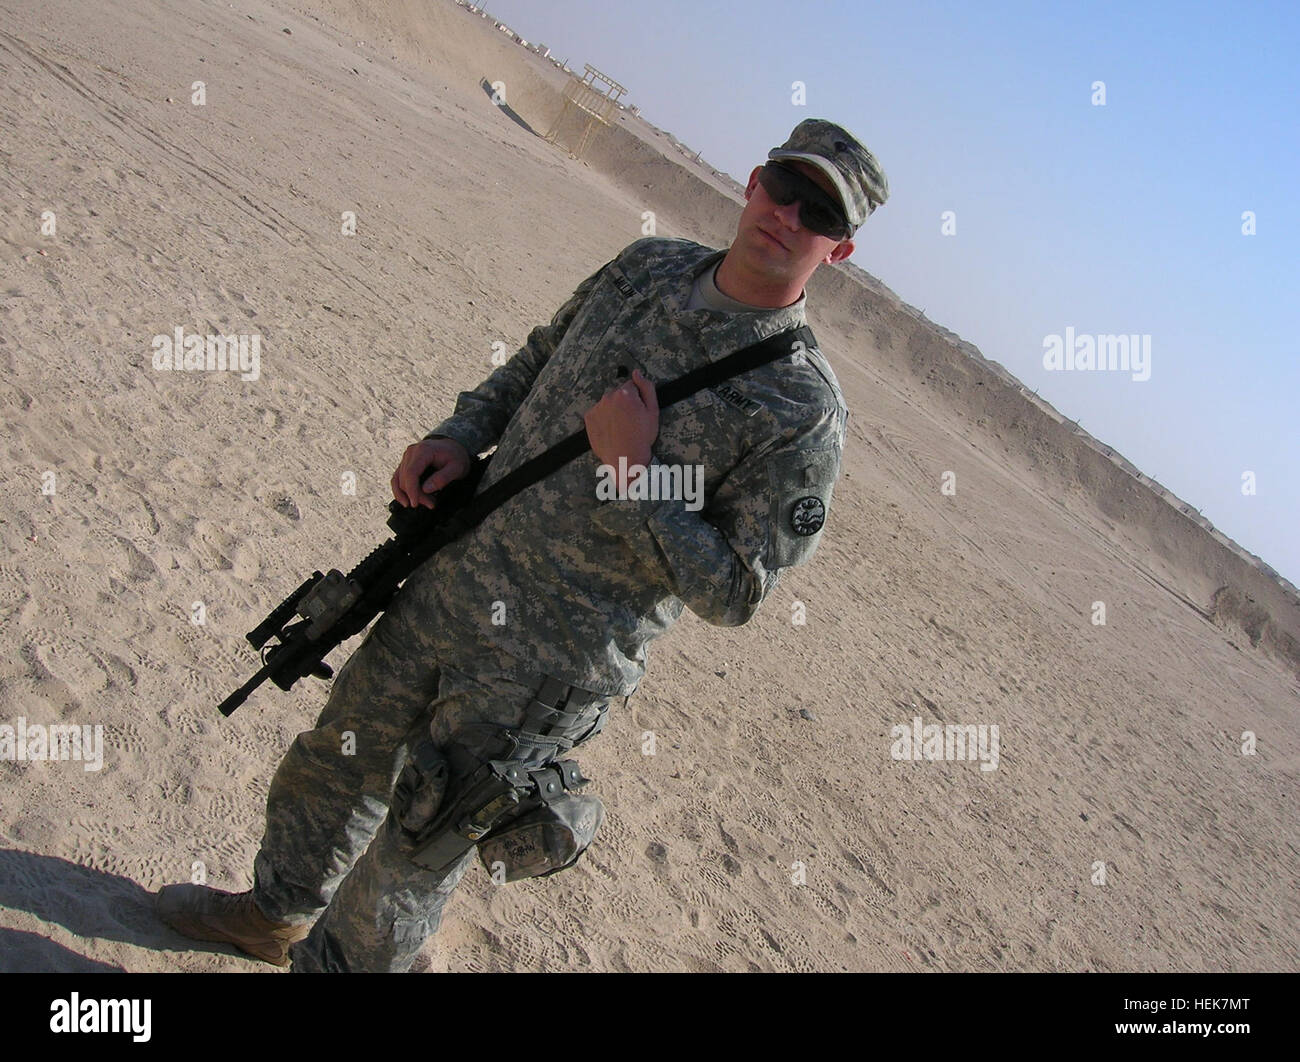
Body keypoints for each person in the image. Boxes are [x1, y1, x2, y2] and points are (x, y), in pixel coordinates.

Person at [155, 118, 888, 972]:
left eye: (821, 215)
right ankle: (272, 914)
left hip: (545, 664)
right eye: (786, 190)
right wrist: (463, 434)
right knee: (337, 757)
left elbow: (735, 591)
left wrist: (638, 474)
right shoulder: (647, 267)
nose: (791, 218)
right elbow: (537, 360)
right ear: (754, 182)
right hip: (450, 575)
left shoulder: (801, 408)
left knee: (415, 849)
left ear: (837, 253)